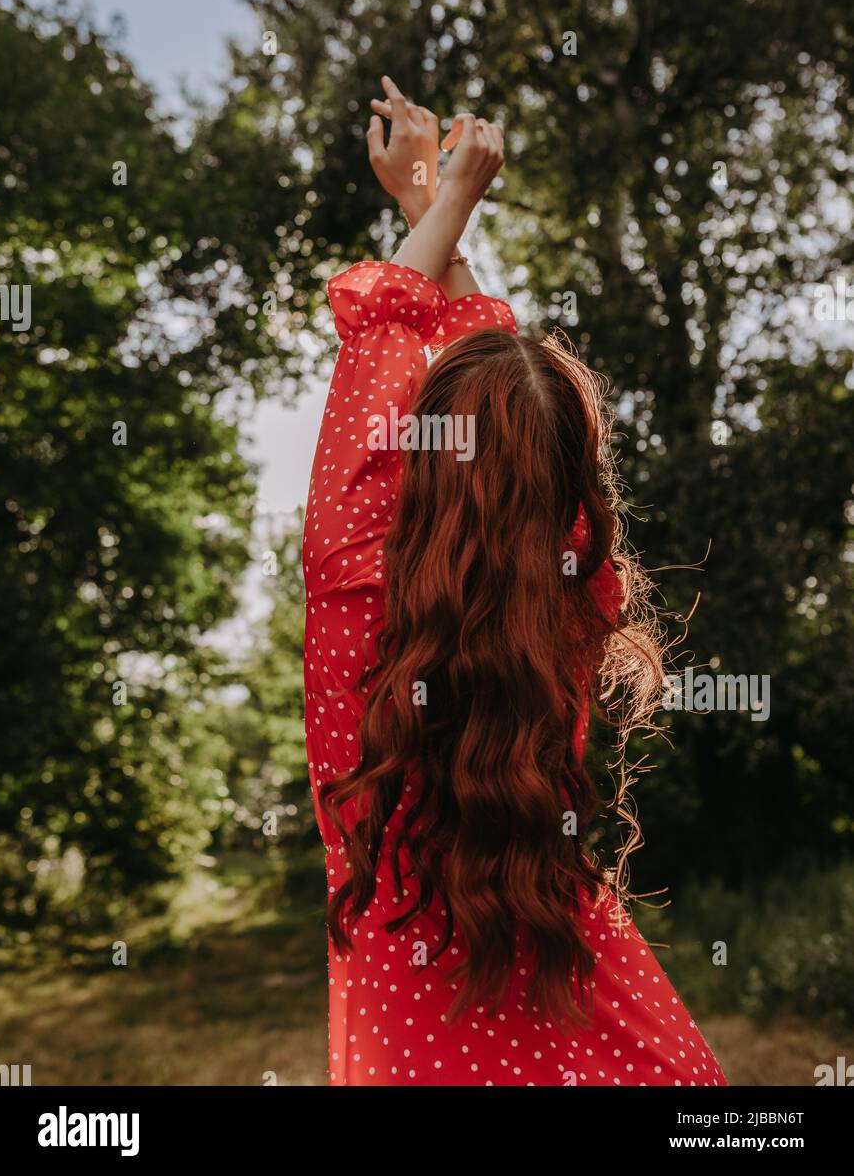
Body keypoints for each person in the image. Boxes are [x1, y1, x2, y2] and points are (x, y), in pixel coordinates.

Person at [301, 76, 726, 1087]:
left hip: (415, 1032)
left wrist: (439, 204)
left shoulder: (355, 589)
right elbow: (508, 402)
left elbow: (388, 344)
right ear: (562, 488)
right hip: (581, 988)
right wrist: (432, 206)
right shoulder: (571, 595)